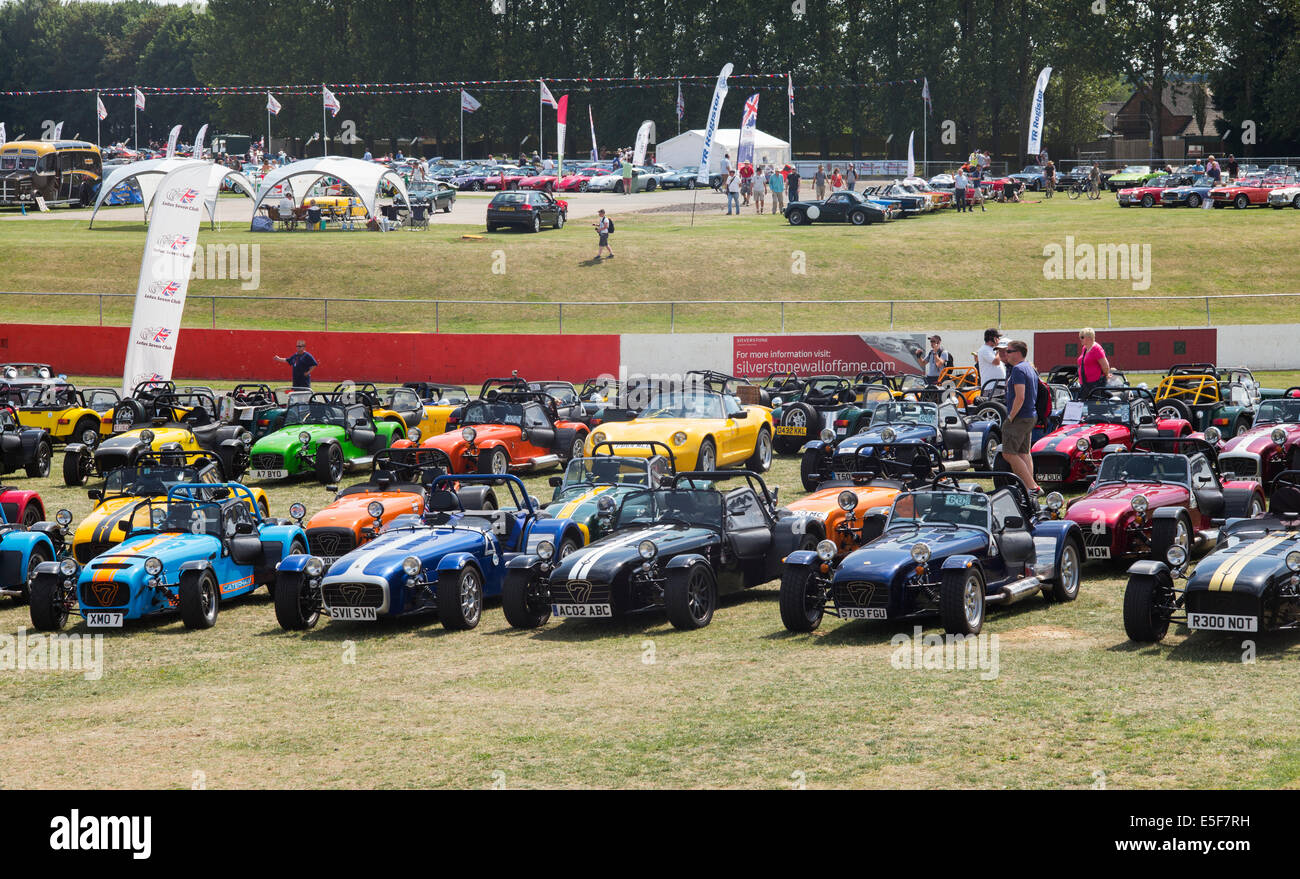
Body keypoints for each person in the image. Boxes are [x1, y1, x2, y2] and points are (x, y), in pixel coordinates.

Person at [999, 339, 1042, 495]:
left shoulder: (1018, 370)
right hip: (1029, 415)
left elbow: (1020, 397)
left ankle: (1032, 487)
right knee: (1024, 452)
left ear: (1017, 353)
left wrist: (1010, 417)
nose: (1005, 354)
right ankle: (1029, 486)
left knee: (1008, 453)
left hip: (1019, 417)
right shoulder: (1029, 368)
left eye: (1008, 351)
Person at [1077, 327, 1110, 398]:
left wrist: (1106, 375)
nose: (1080, 339)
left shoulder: (1096, 349)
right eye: (1080, 337)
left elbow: (1105, 366)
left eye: (1082, 337)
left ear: (1089, 338)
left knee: (1094, 406)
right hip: (1085, 384)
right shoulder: (1085, 348)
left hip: (1095, 385)